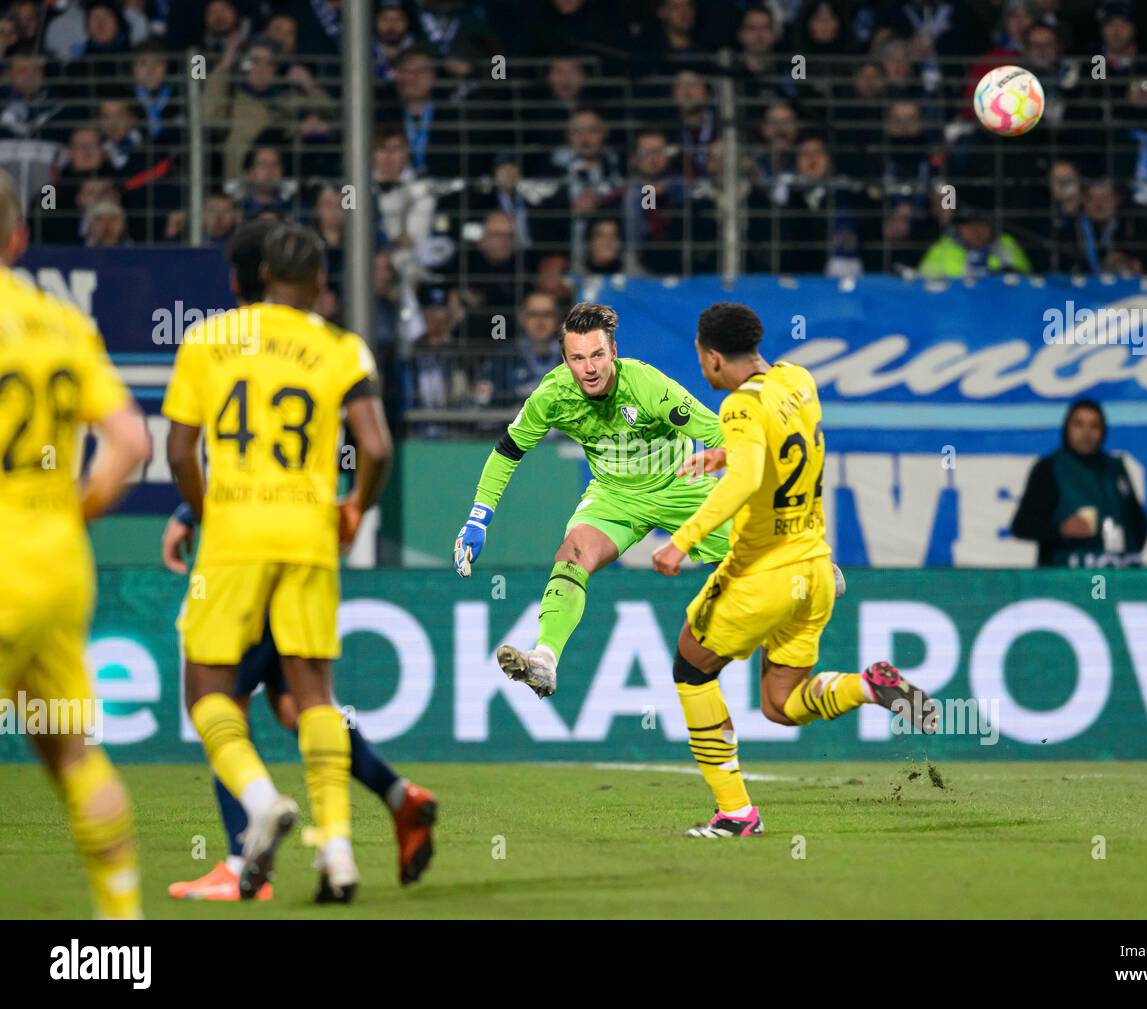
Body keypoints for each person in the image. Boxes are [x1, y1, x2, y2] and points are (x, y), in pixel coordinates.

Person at [164, 220, 437, 902]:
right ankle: (340, 853)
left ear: (253, 279)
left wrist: (201, 512)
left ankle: (250, 832)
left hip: (233, 535)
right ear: (321, 284)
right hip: (310, 529)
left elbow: (177, 451)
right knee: (307, 696)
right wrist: (353, 510)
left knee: (212, 691)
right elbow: (375, 447)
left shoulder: (207, 339)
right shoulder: (340, 347)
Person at [649, 303, 933, 837]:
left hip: (762, 575)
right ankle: (868, 687)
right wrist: (724, 455)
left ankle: (736, 813)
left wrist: (680, 542)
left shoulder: (737, 406)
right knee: (781, 705)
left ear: (712, 357)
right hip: (817, 572)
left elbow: (747, 478)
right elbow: (783, 447)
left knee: (692, 670)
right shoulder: (798, 379)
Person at [0, 168, 151, 917]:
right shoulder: (61, 322)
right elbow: (129, 441)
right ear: (19, 238)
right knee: (69, 748)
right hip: (56, 561)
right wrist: (71, 511)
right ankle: (120, 925)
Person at [452, 302, 734, 697]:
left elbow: (722, 434)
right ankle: (544, 660)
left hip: (680, 484)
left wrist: (726, 465)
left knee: (755, 563)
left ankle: (807, 567)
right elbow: (508, 451)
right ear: (565, 360)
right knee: (572, 553)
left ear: (613, 352)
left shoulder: (648, 386)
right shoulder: (552, 396)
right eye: (578, 358)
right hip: (613, 495)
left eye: (598, 355)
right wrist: (478, 518)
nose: (590, 368)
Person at [1011, 399, 1147, 567]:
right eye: (1079, 425)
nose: (1086, 433)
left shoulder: (1116, 469)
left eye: (1094, 426)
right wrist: (1061, 529)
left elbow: (1137, 522)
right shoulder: (1049, 469)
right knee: (1095, 592)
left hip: (1117, 576)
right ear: (1067, 428)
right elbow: (1022, 526)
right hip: (1068, 579)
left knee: (1103, 592)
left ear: (1103, 431)